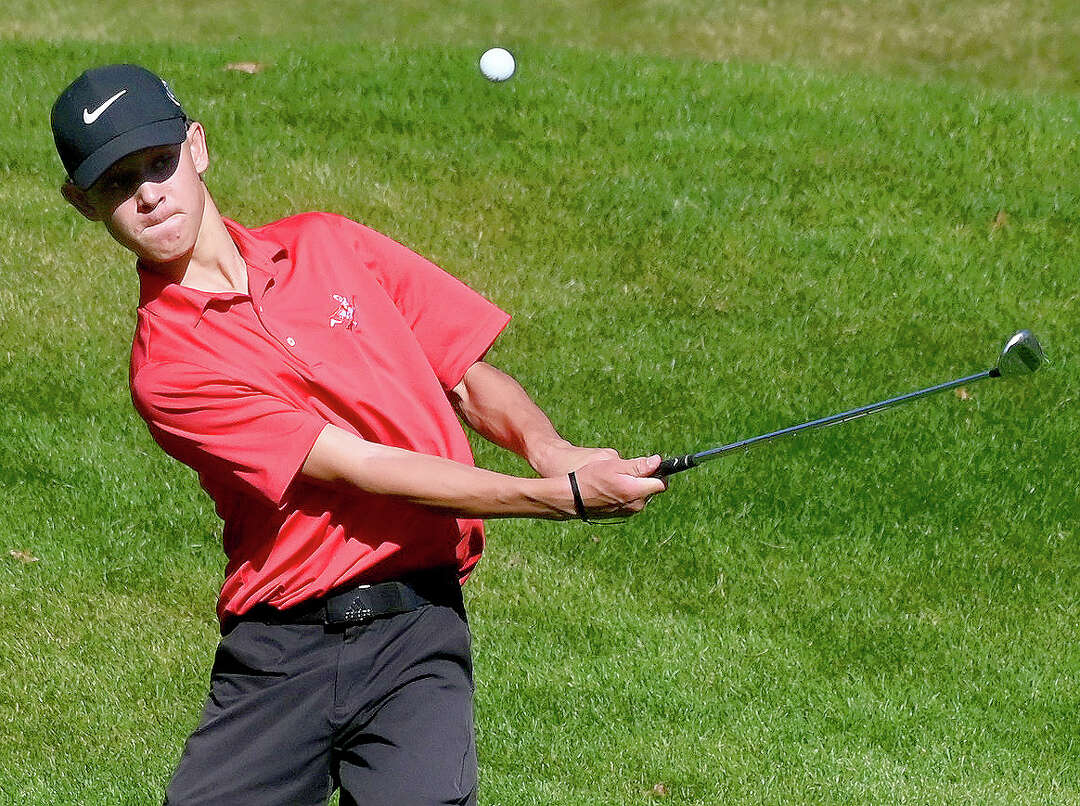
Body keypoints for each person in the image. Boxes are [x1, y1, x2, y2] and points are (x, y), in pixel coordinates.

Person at [51, 63, 667, 805]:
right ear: (83, 203)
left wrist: (548, 447)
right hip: (281, 655)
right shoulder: (169, 367)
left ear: (198, 147)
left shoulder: (329, 243)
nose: (150, 193)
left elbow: (465, 372)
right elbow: (364, 467)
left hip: (417, 629)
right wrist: (554, 497)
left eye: (159, 162)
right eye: (118, 184)